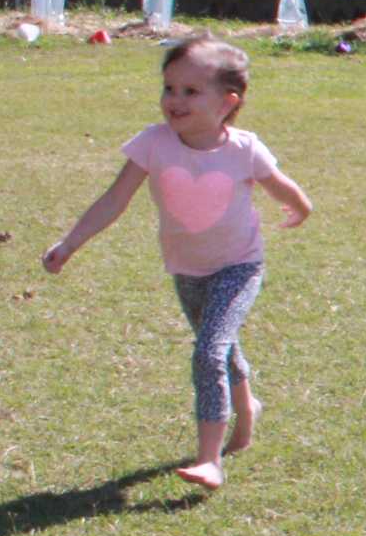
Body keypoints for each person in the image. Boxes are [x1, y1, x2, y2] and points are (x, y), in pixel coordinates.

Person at [42, 33, 313, 490]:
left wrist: (300, 207)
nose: (174, 100)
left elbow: (280, 185)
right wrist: (71, 243)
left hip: (239, 267)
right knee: (222, 349)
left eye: (190, 91)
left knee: (209, 352)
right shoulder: (153, 143)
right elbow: (114, 199)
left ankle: (210, 459)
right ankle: (248, 408)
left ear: (228, 102)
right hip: (186, 270)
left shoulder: (244, 149)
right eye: (169, 88)